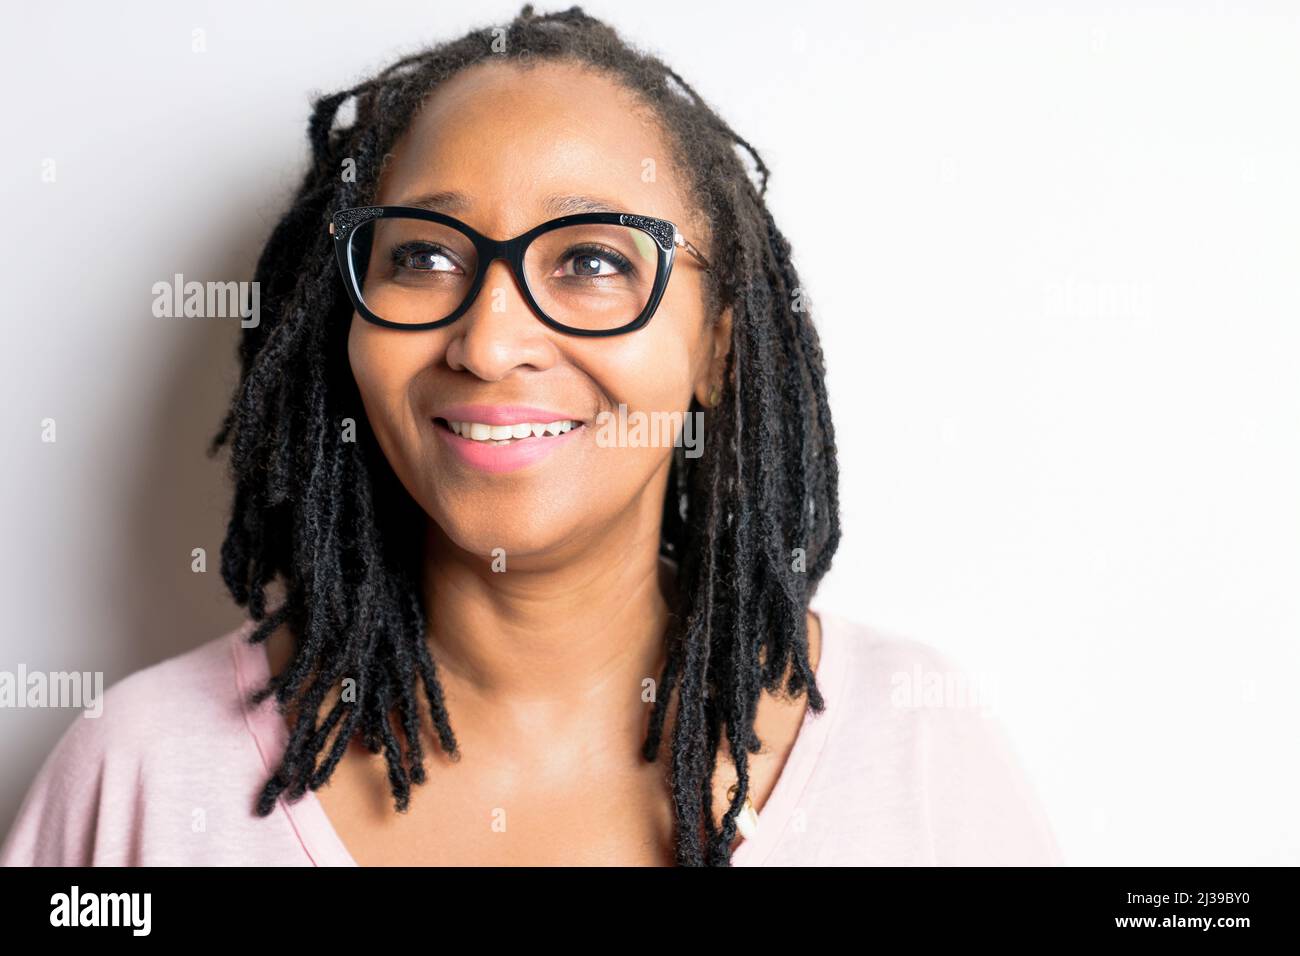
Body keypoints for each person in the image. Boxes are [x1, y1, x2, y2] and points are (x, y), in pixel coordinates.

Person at [0, 4, 1061, 867]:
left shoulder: (914, 750)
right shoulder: (137, 773)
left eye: (592, 261)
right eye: (423, 257)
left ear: (715, 351)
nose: (490, 337)